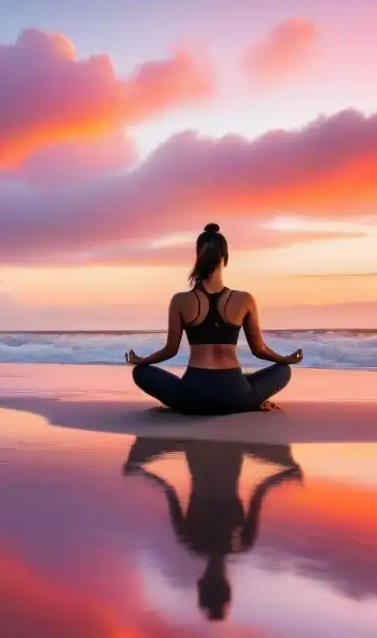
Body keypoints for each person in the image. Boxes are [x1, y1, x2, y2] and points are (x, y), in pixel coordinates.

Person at [125, 222, 302, 415]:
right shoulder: (244, 299)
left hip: (193, 396)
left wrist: (142, 361)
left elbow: (170, 351)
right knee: (283, 370)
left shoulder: (180, 300)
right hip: (235, 395)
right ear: (225, 259)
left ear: (197, 257)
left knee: (141, 372)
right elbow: (259, 350)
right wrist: (285, 359)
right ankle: (248, 399)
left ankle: (184, 403)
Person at [122, 437, 303, 621]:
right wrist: (284, 473)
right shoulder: (224, 542)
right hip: (220, 453)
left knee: (175, 442)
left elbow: (259, 492)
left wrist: (140, 471)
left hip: (215, 453)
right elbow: (169, 491)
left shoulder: (204, 541)